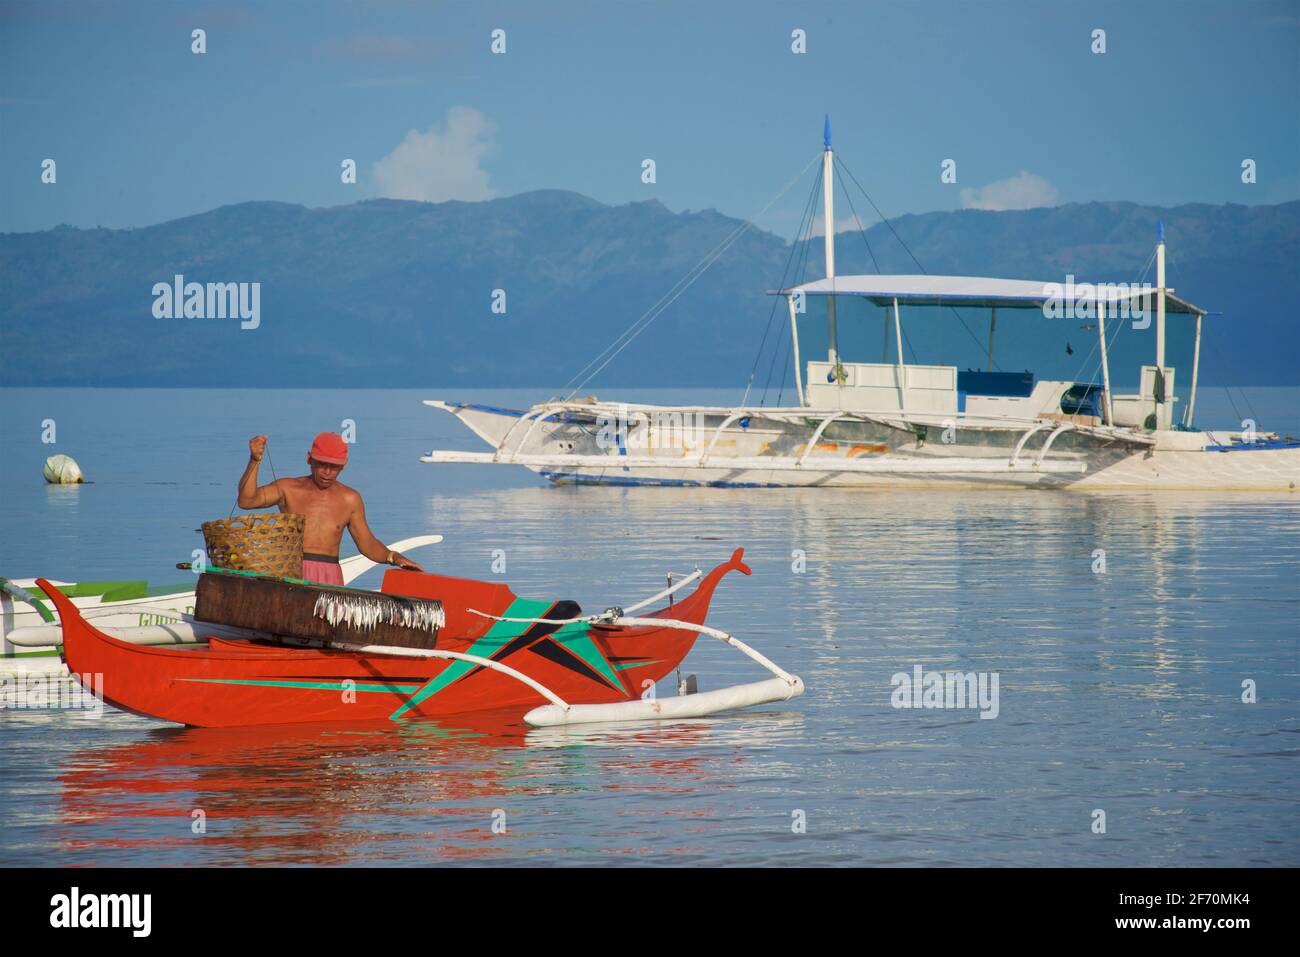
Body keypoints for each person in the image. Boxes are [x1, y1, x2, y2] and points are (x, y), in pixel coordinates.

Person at [237, 432, 423, 585]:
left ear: (343, 466)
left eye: (334, 467)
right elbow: (246, 501)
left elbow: (367, 543)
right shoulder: (288, 488)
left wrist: (393, 557)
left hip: (329, 574)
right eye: (322, 464)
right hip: (291, 570)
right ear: (309, 459)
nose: (327, 472)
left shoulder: (350, 499)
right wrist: (255, 460)